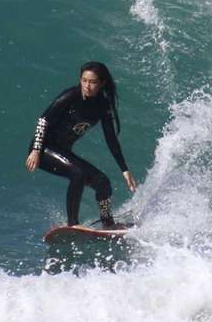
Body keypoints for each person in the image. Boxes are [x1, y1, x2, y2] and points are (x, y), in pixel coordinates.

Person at [26, 61, 138, 227]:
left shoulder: (102, 105)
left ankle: (108, 222)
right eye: (84, 80)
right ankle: (73, 223)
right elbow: (44, 120)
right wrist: (36, 150)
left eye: (92, 82)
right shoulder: (71, 96)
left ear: (102, 83)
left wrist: (124, 169)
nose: (87, 85)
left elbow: (111, 138)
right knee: (77, 173)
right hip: (44, 149)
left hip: (63, 151)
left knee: (103, 182)